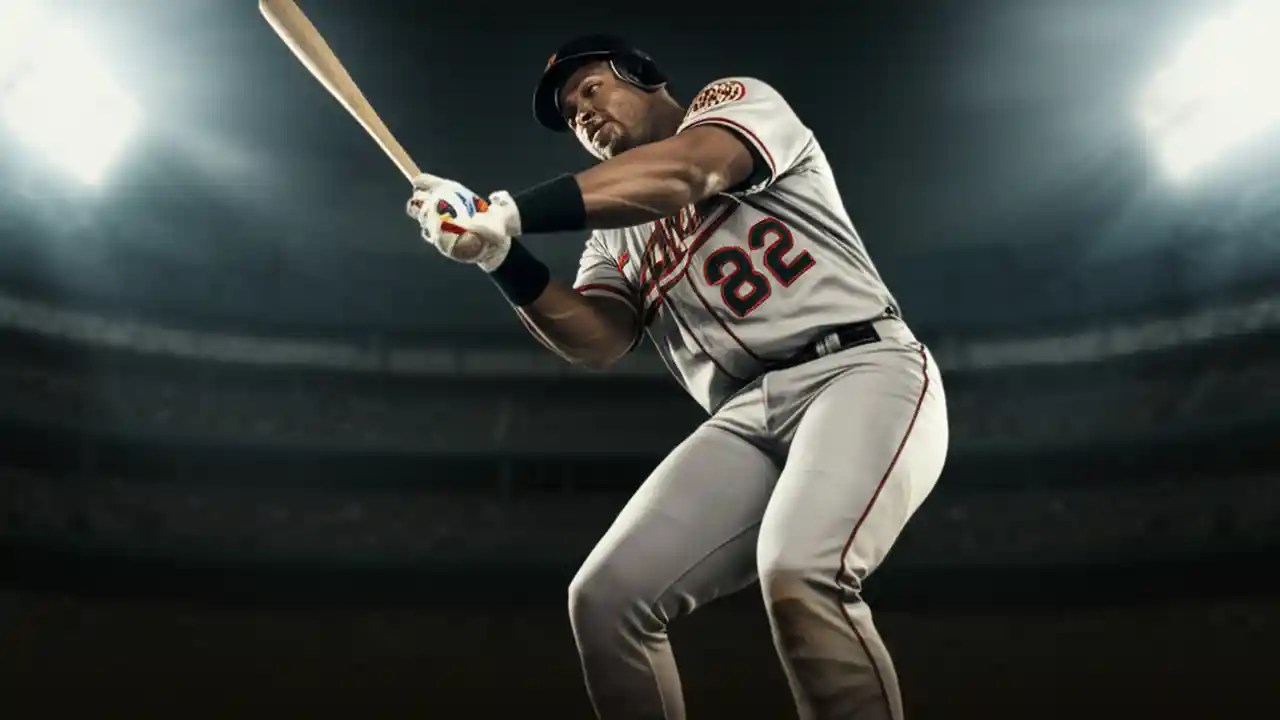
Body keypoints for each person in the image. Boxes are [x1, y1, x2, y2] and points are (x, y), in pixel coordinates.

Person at [405, 34, 950, 720]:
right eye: (571, 112)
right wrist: (500, 256)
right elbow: (598, 338)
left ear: (642, 73)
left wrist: (509, 209)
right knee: (606, 600)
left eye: (591, 88)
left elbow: (691, 172)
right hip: (742, 416)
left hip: (858, 369)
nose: (582, 113)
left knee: (801, 571)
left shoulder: (734, 104)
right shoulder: (612, 236)